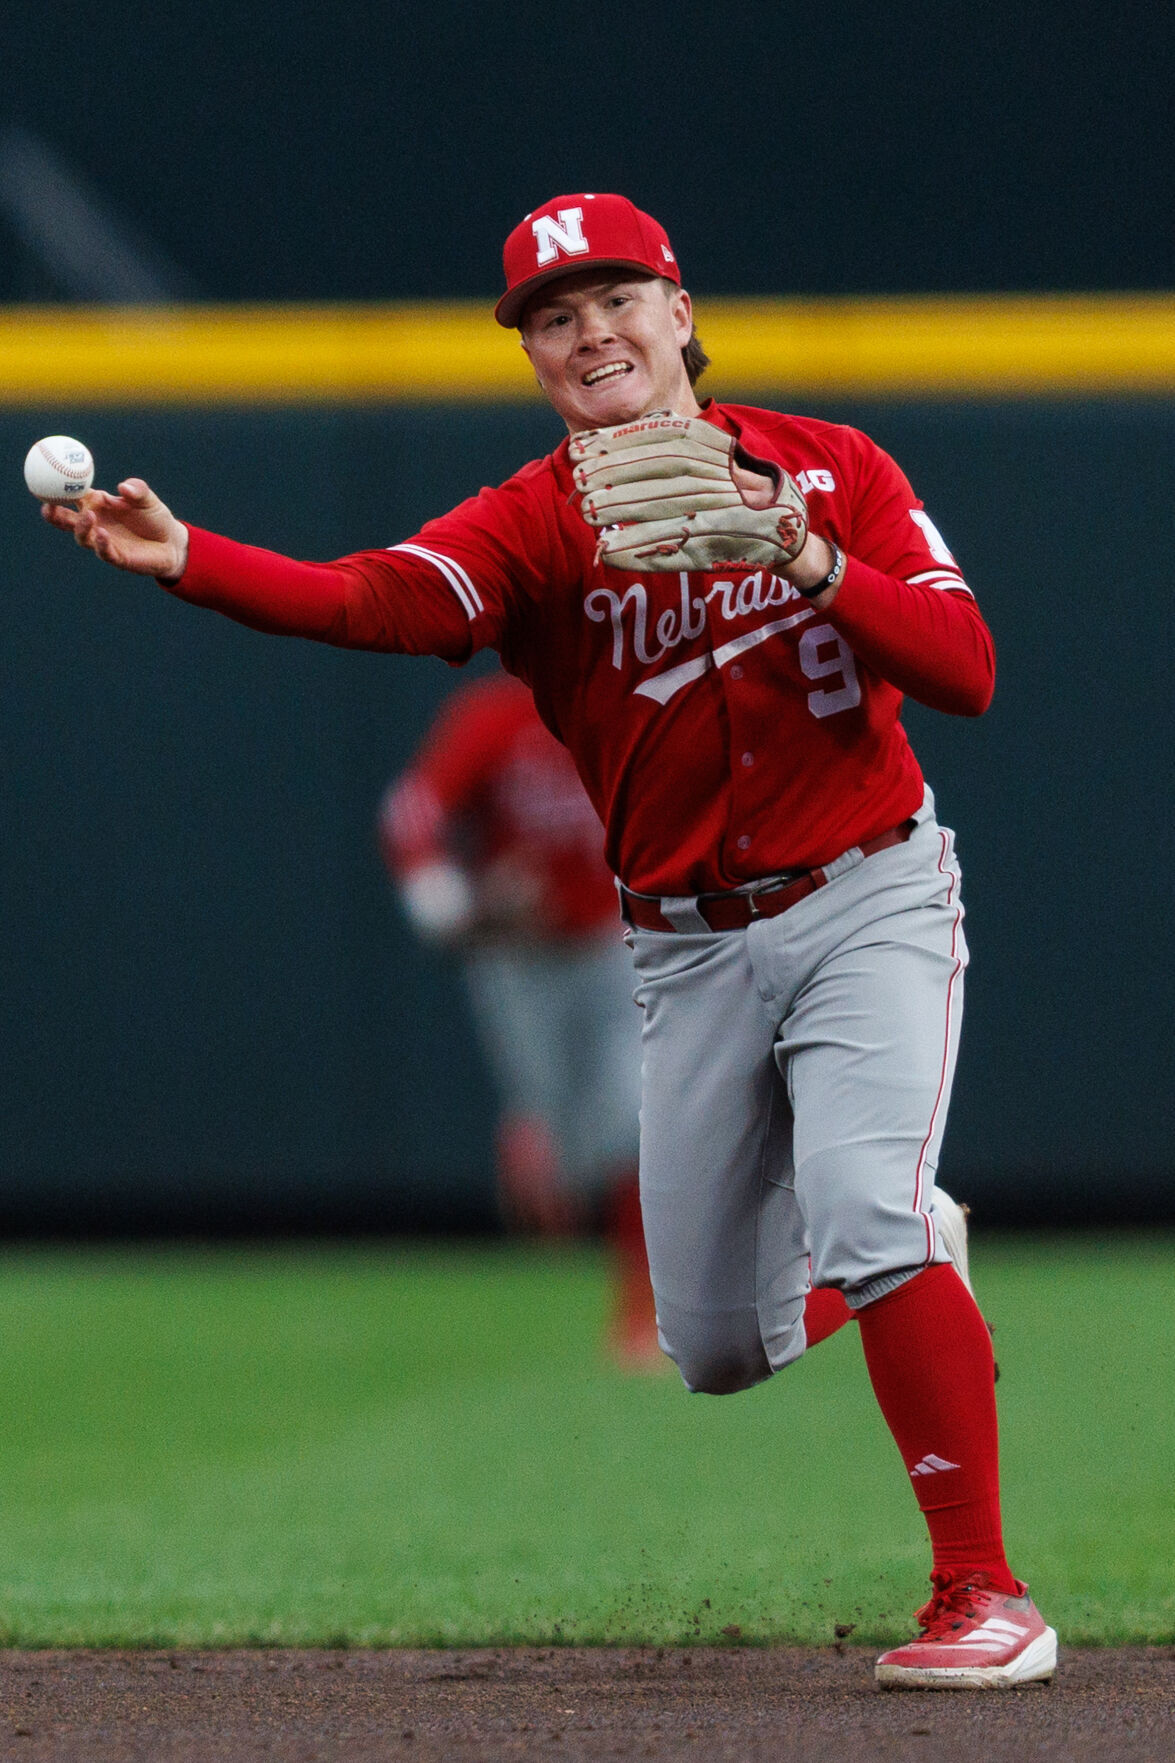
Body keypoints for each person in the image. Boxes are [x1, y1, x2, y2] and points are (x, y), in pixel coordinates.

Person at [43, 190, 1056, 1689]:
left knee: (863, 1198)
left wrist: (809, 560)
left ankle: (981, 1590)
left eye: (614, 299)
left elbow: (964, 668)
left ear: (680, 312)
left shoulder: (828, 468)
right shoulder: (533, 522)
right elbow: (369, 597)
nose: (590, 333)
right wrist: (193, 552)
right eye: (553, 319)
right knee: (710, 1341)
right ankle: (904, 1252)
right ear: (533, 359)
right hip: (686, 949)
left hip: (867, 894)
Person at [377, 667, 659, 1369]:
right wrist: (452, 905)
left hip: (613, 943)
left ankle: (641, 1315)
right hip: (518, 958)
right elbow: (411, 811)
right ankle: (535, 1137)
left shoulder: (637, 706)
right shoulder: (496, 716)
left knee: (638, 1118)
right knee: (565, 1148)